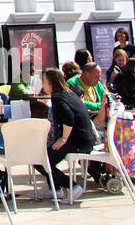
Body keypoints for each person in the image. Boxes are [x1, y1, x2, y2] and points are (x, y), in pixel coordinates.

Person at [33, 68, 94, 200]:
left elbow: (69, 117)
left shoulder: (58, 98)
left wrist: (63, 138)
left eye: (44, 81)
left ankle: (73, 187)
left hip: (77, 141)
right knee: (45, 155)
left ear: (51, 82)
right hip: (84, 138)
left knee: (40, 161)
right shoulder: (69, 94)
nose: (42, 85)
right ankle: (56, 189)